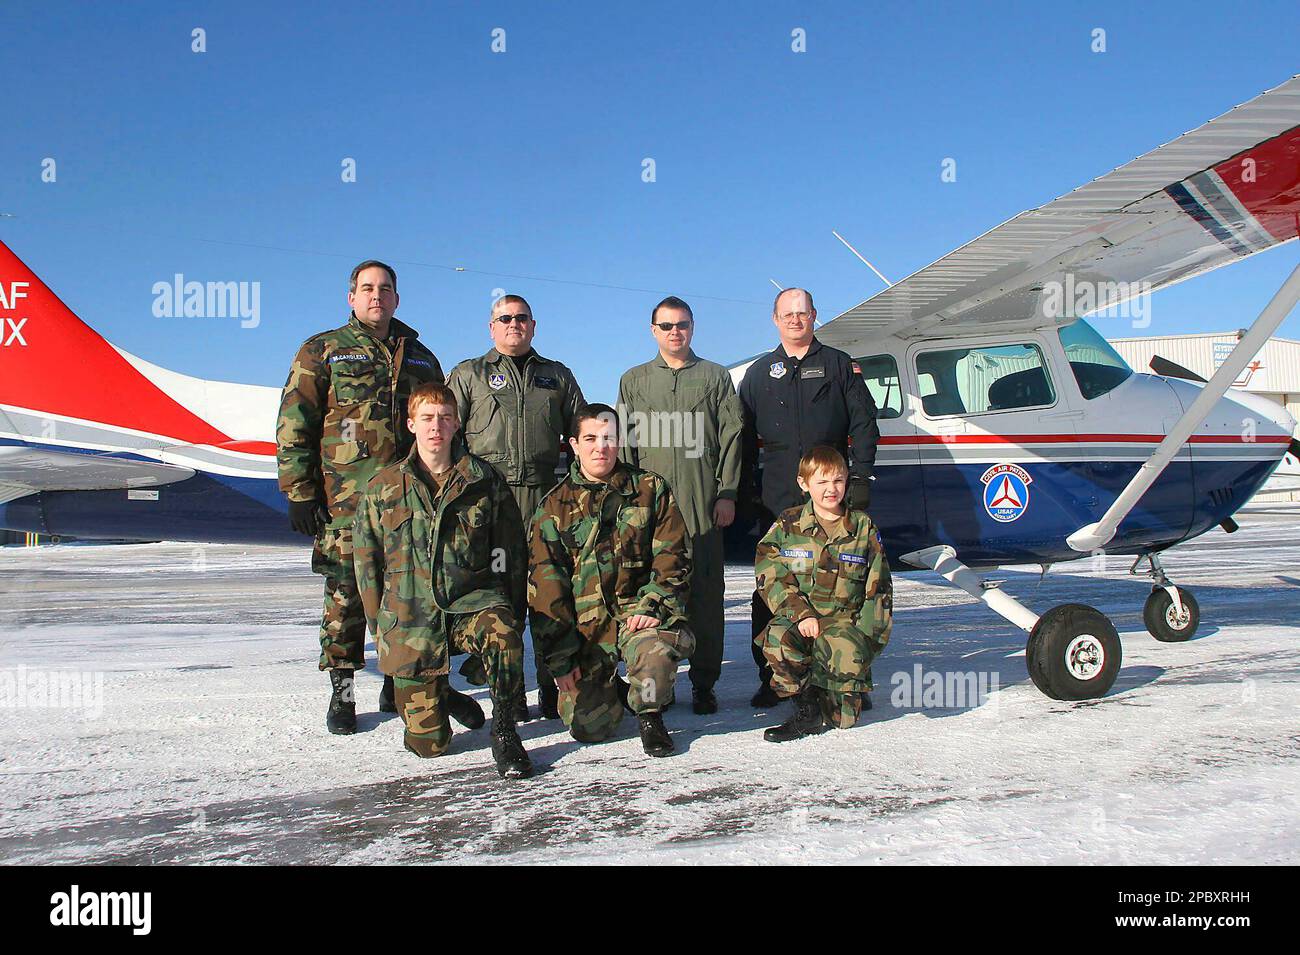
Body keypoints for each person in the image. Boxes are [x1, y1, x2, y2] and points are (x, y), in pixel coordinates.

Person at [278, 260, 480, 735]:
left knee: (407, 598)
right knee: (346, 597)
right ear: (351, 297)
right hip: (345, 502)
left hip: (408, 506)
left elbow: (440, 426)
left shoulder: (422, 359)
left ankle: (397, 680)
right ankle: (342, 692)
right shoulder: (322, 350)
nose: (376, 296)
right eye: (367, 288)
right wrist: (299, 490)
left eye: (385, 289)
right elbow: (295, 420)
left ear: (396, 298)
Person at [352, 383, 532, 778]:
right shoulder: (383, 488)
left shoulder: (484, 481)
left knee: (500, 629)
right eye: (428, 418)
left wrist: (509, 611)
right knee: (428, 747)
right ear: (412, 424)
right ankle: (441, 693)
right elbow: (367, 566)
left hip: (469, 605)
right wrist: (381, 631)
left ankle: (504, 731)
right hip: (412, 620)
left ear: (457, 424)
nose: (437, 427)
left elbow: (509, 554)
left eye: (445, 418)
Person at [739, 287, 880, 708]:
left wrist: (861, 476)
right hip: (779, 493)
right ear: (775, 319)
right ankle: (774, 678)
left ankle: (851, 675)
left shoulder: (838, 365)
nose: (795, 320)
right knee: (773, 585)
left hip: (831, 491)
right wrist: (744, 488)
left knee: (845, 586)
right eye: (787, 314)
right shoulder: (759, 374)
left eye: (802, 313)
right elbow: (744, 438)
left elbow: (866, 423)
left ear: (814, 315)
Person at [447, 294, 585, 721]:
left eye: (521, 318)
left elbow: (581, 434)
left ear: (533, 324)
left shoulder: (556, 376)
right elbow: (450, 440)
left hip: (544, 501)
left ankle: (550, 689)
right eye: (505, 318)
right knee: (502, 600)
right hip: (492, 504)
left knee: (549, 595)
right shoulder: (469, 375)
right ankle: (508, 695)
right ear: (492, 327)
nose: (513, 324)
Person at [528, 404, 695, 757]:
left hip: (637, 616)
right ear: (573, 444)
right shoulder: (553, 507)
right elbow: (546, 591)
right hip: (587, 630)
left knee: (654, 650)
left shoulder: (650, 489)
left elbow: (674, 556)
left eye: (608, 438)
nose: (600, 447)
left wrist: (653, 604)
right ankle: (614, 689)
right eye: (590, 438)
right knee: (589, 729)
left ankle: (650, 715)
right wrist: (561, 659)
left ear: (620, 442)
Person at [617, 295, 742, 714]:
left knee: (706, 599)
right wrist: (629, 505)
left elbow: (731, 438)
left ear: (692, 328)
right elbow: (627, 445)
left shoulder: (714, 377)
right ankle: (656, 684)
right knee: (653, 599)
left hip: (702, 506)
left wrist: (727, 493)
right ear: (653, 330)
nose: (675, 332)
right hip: (652, 515)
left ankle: (705, 683)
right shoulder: (633, 380)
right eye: (667, 326)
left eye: (682, 325)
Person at [754, 446, 893, 741]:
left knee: (843, 721)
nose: (831, 490)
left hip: (844, 627)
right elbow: (769, 573)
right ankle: (806, 708)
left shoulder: (863, 528)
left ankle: (845, 686)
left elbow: (879, 591)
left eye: (838, 481)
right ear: (804, 484)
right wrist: (799, 612)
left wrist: (865, 647)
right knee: (777, 638)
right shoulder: (788, 525)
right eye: (822, 482)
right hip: (801, 620)